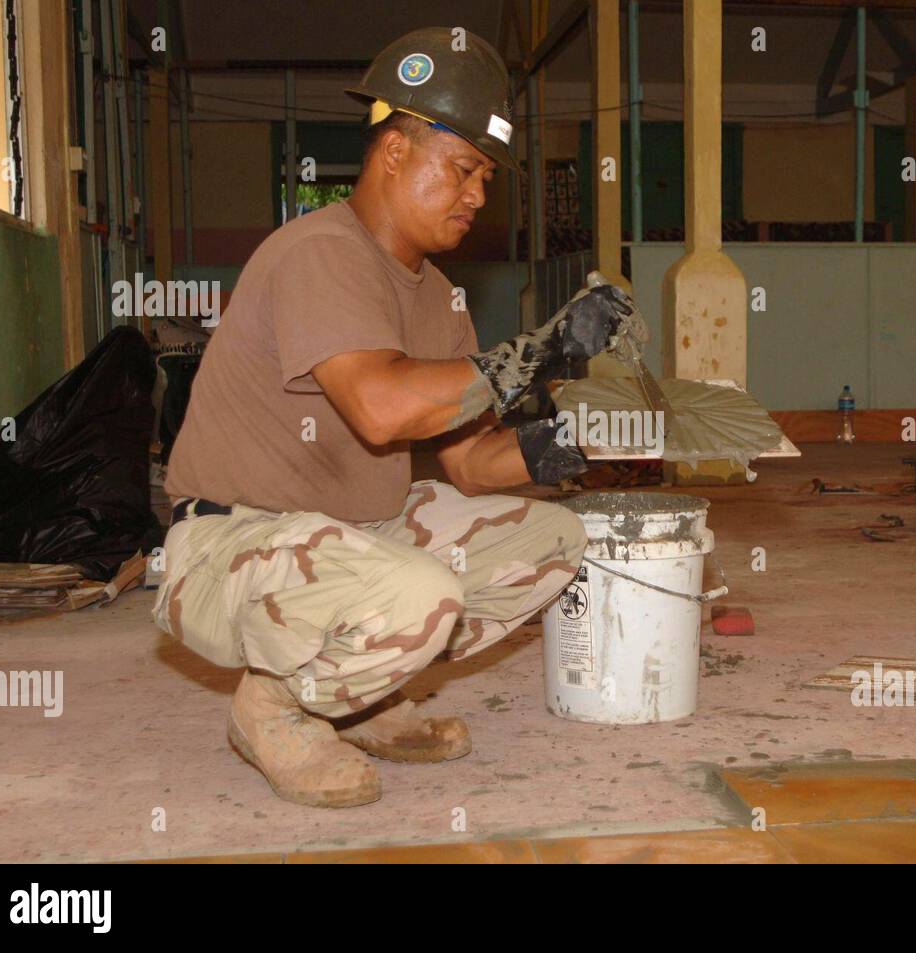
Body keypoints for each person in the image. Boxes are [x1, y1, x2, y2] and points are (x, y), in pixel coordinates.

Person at [151, 27, 643, 808]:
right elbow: (380, 409)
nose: (478, 195)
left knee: (555, 540)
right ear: (392, 155)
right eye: (462, 170)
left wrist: (586, 439)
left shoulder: (439, 296)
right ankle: (273, 707)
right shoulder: (321, 253)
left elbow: (471, 464)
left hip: (345, 536)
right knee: (421, 593)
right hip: (228, 544)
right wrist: (542, 352)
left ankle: (360, 696)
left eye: (485, 177)